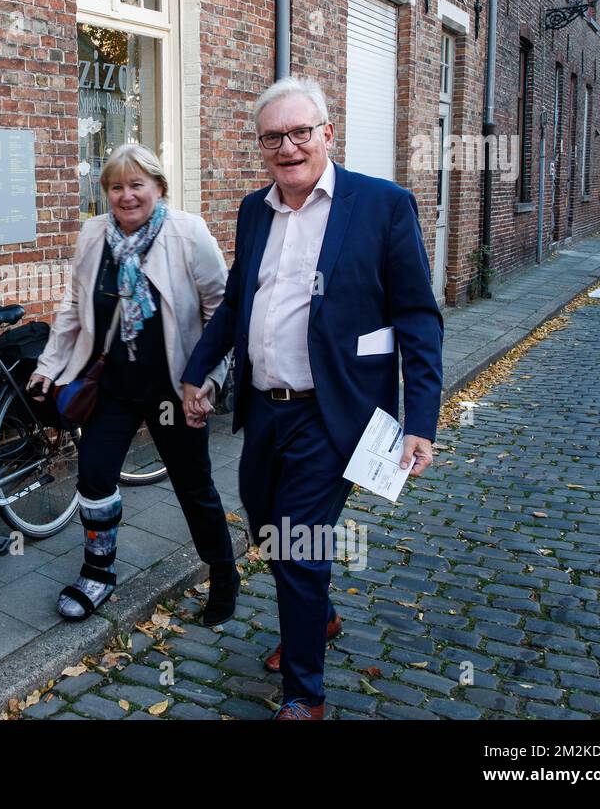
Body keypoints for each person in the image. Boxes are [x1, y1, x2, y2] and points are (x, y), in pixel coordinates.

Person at [182, 76, 444, 720]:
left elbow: (417, 315)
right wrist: (199, 370)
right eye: (273, 137)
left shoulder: (382, 205)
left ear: (328, 133)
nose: (288, 147)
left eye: (301, 132)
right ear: (261, 146)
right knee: (267, 525)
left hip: (337, 412)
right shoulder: (253, 210)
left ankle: (304, 694)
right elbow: (239, 301)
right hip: (265, 408)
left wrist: (422, 420)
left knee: (298, 542)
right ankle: (317, 616)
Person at [28, 143, 238, 624]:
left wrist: (206, 381)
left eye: (136, 184)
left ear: (158, 188)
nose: (126, 196)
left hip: (175, 390)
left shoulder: (187, 234)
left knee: (194, 486)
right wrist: (48, 365)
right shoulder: (93, 234)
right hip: (113, 387)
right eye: (116, 186)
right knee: (94, 479)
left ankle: (223, 572)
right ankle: (97, 574)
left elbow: (221, 311)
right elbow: (73, 306)